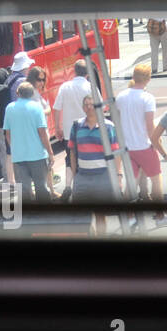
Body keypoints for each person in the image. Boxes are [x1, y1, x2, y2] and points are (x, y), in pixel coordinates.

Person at [115, 65, 167, 225]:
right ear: (148, 79)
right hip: (144, 145)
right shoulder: (147, 98)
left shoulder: (120, 97)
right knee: (156, 180)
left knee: (131, 184)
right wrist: (160, 149)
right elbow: (150, 127)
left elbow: (118, 122)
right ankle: (160, 216)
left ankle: (129, 217)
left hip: (127, 147)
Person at [67, 94, 119, 231]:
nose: (89, 107)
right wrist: (75, 174)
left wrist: (118, 175)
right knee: (82, 216)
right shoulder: (77, 125)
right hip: (82, 177)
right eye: (86, 105)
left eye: (92, 104)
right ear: (83, 108)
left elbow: (116, 153)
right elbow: (72, 151)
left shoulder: (108, 126)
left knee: (100, 215)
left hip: (102, 176)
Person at [2, 82, 53, 203]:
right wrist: (50, 152)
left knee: (24, 191)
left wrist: (14, 148)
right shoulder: (37, 108)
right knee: (41, 187)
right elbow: (42, 133)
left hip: (19, 156)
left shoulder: (9, 108)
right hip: (37, 155)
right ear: (32, 94)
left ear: (17, 93)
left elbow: (7, 133)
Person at [51, 60, 92, 198]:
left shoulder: (65, 87)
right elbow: (99, 107)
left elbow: (57, 108)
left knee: (70, 159)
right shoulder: (90, 87)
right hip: (87, 130)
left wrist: (57, 127)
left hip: (69, 131)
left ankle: (68, 186)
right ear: (87, 73)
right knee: (87, 159)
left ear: (74, 71)